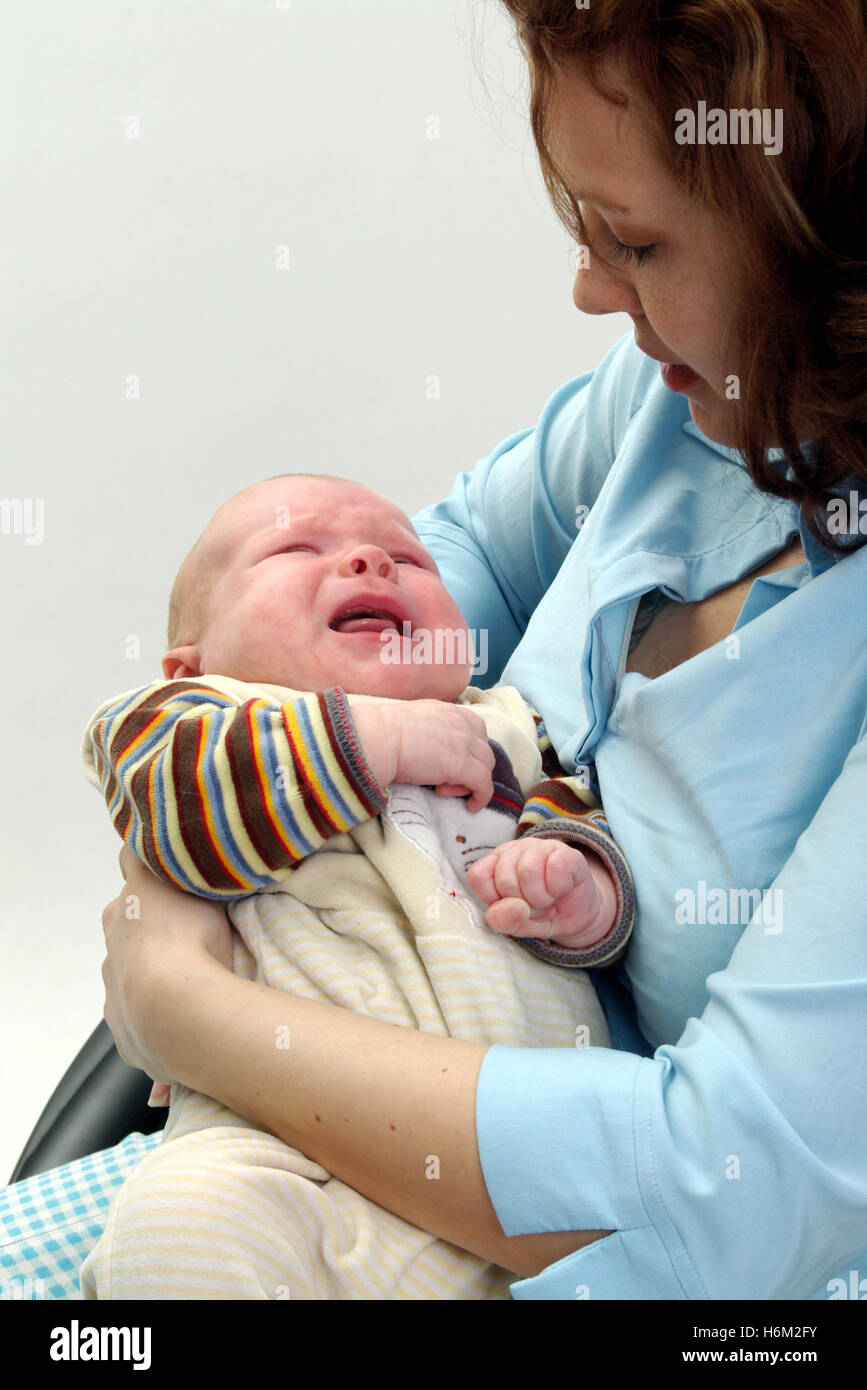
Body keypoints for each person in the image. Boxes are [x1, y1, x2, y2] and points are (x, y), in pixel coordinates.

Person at [2, 0, 865, 1301]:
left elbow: (718, 1195)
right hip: (288, 1160)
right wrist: (221, 766)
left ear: (825, 255)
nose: (585, 286)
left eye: (630, 238)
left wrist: (190, 1010)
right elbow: (361, 609)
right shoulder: (680, 403)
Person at [76, 472, 634, 1299]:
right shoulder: (184, 722)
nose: (372, 560)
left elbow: (586, 821)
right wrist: (377, 739)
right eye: (295, 548)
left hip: (516, 1174)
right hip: (285, 1159)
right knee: (181, 1225)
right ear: (187, 663)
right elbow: (176, 821)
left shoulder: (513, 728)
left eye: (409, 557)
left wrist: (580, 891)